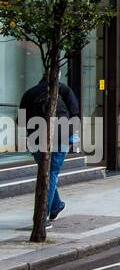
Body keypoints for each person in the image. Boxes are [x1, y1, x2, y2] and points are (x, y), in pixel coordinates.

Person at [19, 79, 81, 224]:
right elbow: (75, 114)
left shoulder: (29, 93)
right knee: (50, 174)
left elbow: (21, 121)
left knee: (46, 173)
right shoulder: (64, 90)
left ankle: (54, 208)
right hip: (61, 137)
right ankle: (45, 215)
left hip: (36, 139)